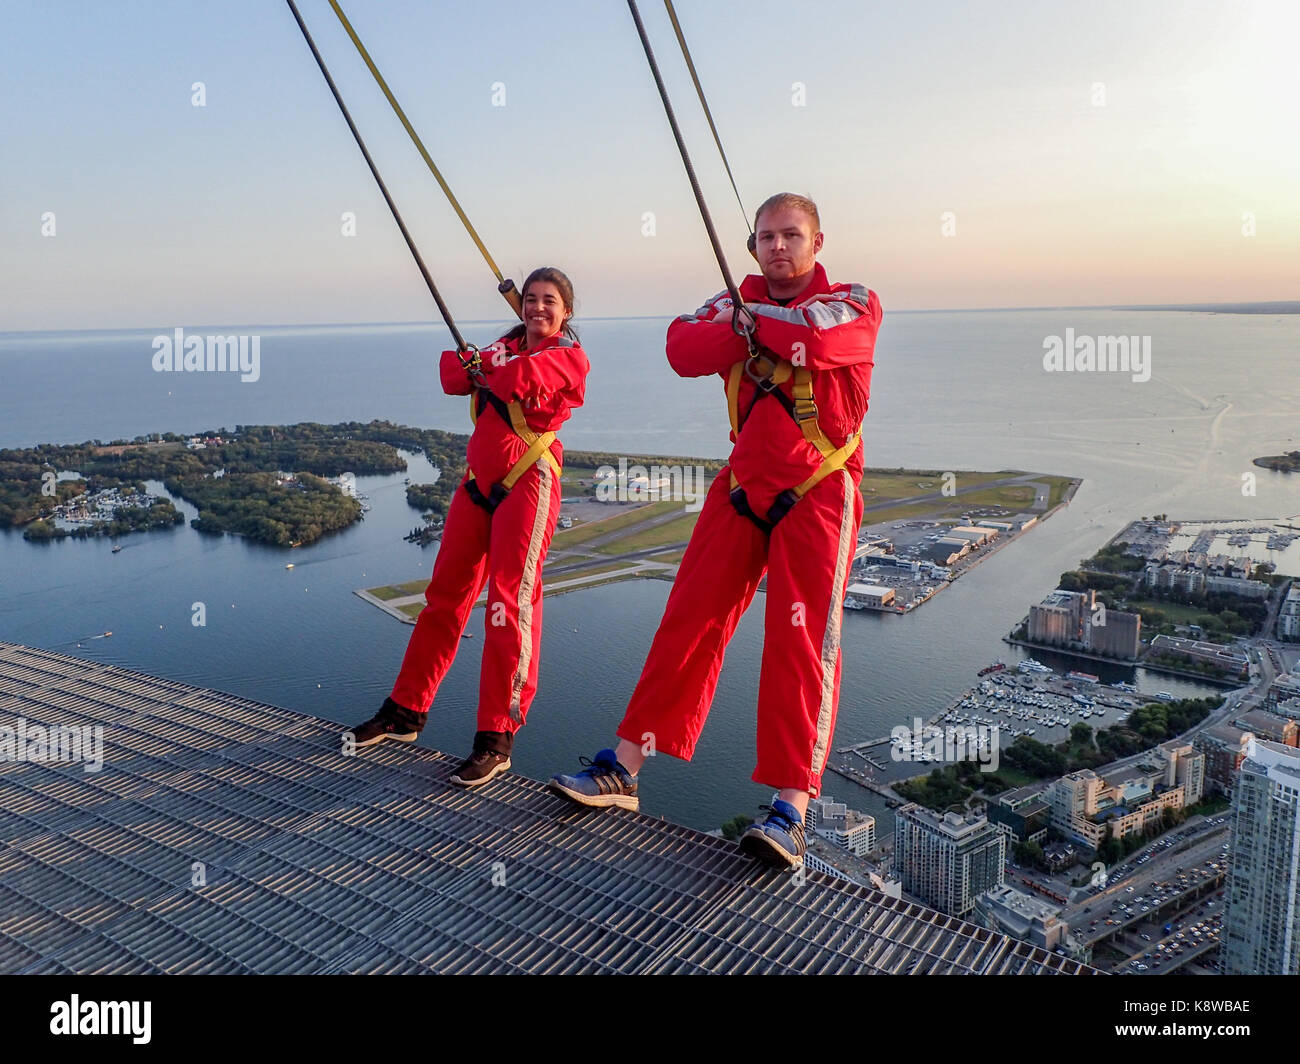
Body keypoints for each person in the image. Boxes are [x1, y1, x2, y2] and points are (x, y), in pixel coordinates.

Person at [549, 195, 881, 870]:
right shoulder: (732, 301)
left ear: (819, 241)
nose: (779, 246)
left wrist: (745, 325)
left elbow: (819, 338)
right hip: (741, 487)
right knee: (688, 622)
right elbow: (681, 346)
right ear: (752, 244)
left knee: (802, 643)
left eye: (792, 235)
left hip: (819, 488)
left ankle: (791, 809)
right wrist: (758, 325)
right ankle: (626, 768)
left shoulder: (854, 299)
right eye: (767, 236)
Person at [346, 266, 588, 786]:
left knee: (510, 604)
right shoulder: (507, 347)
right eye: (531, 300)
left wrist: (489, 362)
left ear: (567, 312)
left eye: (550, 301)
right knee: (444, 598)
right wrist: (483, 361)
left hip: (530, 480)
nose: (538, 308)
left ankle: (496, 739)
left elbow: (521, 379)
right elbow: (453, 376)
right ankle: (406, 711)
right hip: (478, 483)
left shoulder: (569, 356)